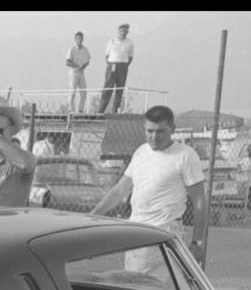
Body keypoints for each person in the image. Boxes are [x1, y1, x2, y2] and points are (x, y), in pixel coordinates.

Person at [89, 105, 206, 271]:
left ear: (173, 129)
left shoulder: (185, 156)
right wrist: (92, 216)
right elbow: (119, 190)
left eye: (160, 132)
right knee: (136, 287)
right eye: (149, 131)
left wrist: (197, 242)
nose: (154, 137)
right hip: (135, 235)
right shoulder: (141, 152)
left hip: (162, 236)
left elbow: (200, 200)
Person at [98, 23, 135, 114]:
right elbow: (106, 55)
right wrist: (111, 64)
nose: (123, 33)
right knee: (108, 87)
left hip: (123, 66)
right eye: (122, 31)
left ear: (127, 32)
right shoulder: (111, 41)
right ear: (118, 31)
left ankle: (115, 110)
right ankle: (100, 110)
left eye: (125, 31)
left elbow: (130, 57)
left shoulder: (130, 43)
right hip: (112, 65)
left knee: (120, 88)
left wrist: (124, 65)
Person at [65, 32, 92, 114]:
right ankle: (71, 110)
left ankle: (81, 110)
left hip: (81, 72)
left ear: (82, 39)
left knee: (83, 92)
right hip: (74, 72)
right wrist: (77, 65)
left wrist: (84, 65)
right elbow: (67, 62)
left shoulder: (85, 49)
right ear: (75, 39)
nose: (79, 40)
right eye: (77, 38)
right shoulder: (72, 49)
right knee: (72, 91)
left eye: (80, 38)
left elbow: (88, 60)